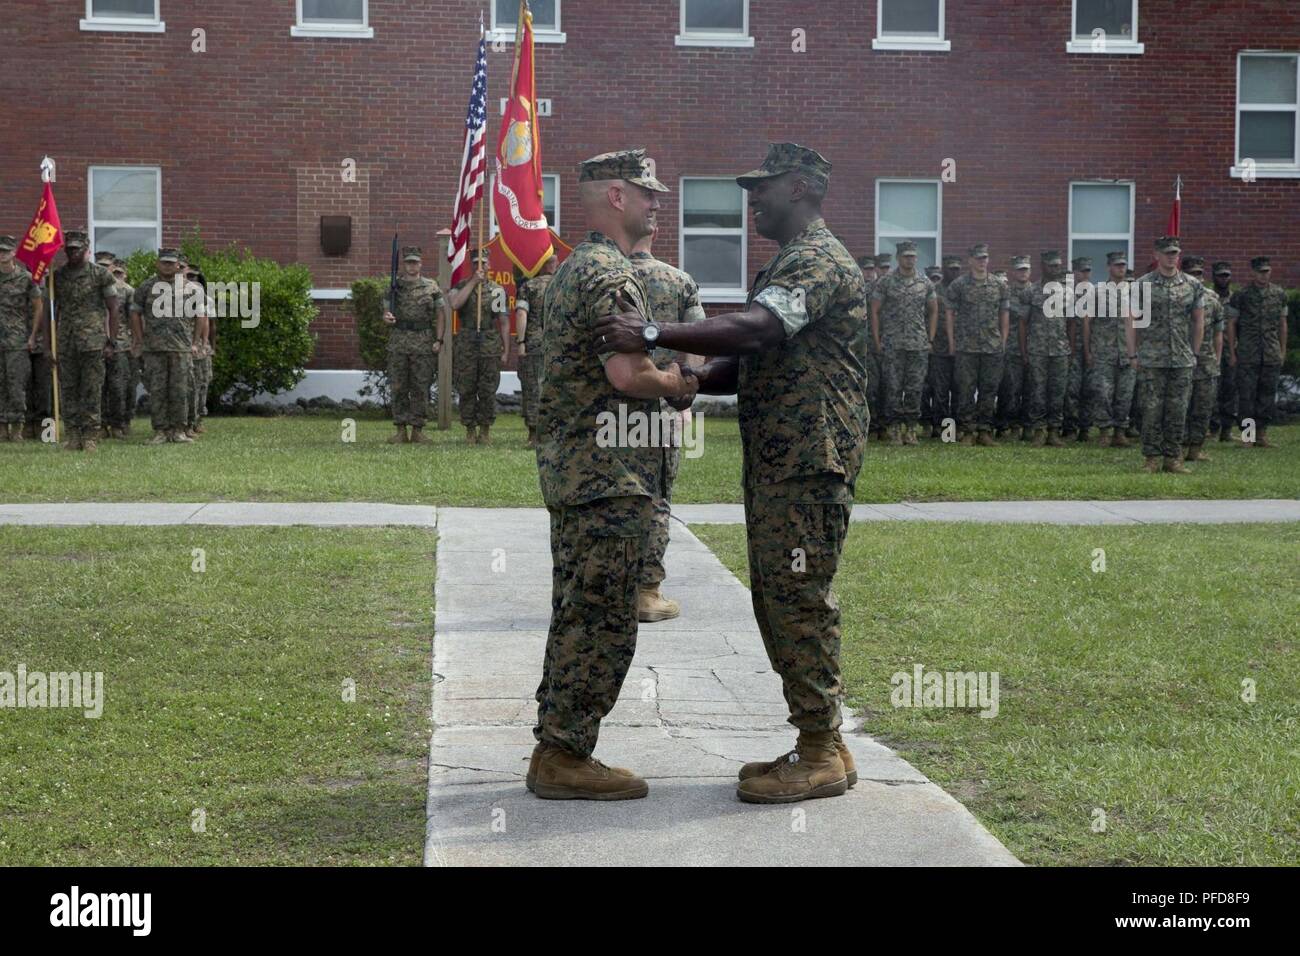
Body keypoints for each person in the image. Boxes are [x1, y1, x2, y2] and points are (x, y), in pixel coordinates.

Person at [593, 143, 868, 804]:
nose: (752, 201)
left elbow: (760, 329)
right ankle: (820, 739)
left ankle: (821, 751)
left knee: (797, 598)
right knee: (778, 598)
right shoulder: (789, 260)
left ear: (800, 187)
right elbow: (749, 359)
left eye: (762, 189)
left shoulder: (818, 260)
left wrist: (657, 334)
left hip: (809, 462)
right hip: (785, 461)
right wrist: (690, 381)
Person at [529, 149, 692, 801]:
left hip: (575, 474)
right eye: (647, 193)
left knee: (576, 611)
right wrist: (679, 383)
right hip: (610, 477)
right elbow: (628, 375)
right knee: (601, 618)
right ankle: (565, 755)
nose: (657, 203)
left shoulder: (572, 267)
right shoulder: (611, 273)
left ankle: (557, 745)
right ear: (616, 197)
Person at [629, 225, 706, 622]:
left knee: (612, 498)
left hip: (608, 410)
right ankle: (646, 591)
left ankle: (608, 588)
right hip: (660, 408)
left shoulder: (600, 277)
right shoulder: (679, 281)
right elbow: (696, 341)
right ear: (654, 232)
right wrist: (684, 392)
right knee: (656, 498)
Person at [32, 231, 121, 452]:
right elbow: (50, 313)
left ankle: (90, 435)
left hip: (93, 342)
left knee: (92, 389)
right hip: (66, 342)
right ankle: (73, 434)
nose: (73, 252)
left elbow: (113, 309)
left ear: (86, 249)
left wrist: (111, 341)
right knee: (68, 389)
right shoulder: (57, 277)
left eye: (77, 248)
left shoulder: (101, 275)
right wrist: (47, 346)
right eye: (69, 249)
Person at [1128, 236, 1205, 473]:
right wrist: (1132, 354)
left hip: (1181, 358)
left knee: (1178, 409)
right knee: (1151, 409)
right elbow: (1131, 321)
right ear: (1156, 256)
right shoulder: (1142, 285)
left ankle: (1173, 458)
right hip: (1152, 357)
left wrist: (1195, 352)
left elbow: (1198, 320)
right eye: (1167, 253)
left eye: (1175, 252)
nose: (1172, 256)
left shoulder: (1192, 285)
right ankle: (1151, 458)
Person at [130, 249, 203, 444]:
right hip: (154, 348)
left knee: (180, 390)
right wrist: (139, 339)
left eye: (171, 263)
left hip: (181, 347)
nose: (168, 266)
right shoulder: (146, 287)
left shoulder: (191, 288)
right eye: (164, 262)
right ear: (157, 264)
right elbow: (135, 313)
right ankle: (161, 431)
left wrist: (195, 343)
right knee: (157, 390)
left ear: (178, 265)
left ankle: (179, 430)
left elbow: (201, 316)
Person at [381, 246, 449, 444]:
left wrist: (439, 340)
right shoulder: (394, 286)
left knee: (421, 386)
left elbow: (440, 314)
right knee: (398, 386)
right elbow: (386, 312)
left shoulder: (431, 286)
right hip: (399, 342)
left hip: (423, 342)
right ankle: (401, 430)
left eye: (415, 262)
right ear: (404, 264)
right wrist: (387, 317)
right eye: (408, 262)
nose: (412, 266)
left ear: (420, 263)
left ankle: (418, 430)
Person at [871, 240, 936, 445]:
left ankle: (910, 429)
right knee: (893, 386)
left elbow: (934, 310)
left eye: (913, 256)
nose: (910, 260)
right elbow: (874, 311)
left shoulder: (925, 283)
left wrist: (930, 338)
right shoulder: (886, 282)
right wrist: (877, 338)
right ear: (898, 257)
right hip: (892, 343)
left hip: (917, 344)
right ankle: (894, 428)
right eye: (906, 256)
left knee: (915, 387)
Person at [947, 243, 1010, 445]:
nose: (982, 261)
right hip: (967, 346)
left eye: (985, 258)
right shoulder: (959, 285)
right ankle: (967, 431)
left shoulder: (998, 285)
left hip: (992, 346)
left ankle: (984, 430)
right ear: (970, 260)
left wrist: (1003, 340)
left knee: (989, 389)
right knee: (965, 389)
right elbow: (949, 314)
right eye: (978, 258)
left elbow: (1004, 314)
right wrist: (952, 341)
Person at [1229, 256, 1288, 448]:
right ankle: (1247, 436)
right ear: (1253, 272)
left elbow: (1282, 324)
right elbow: (1232, 324)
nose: (1264, 275)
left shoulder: (1279, 294)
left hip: (1270, 351)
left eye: (1267, 271)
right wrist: (1232, 351)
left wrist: (1282, 350)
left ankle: (1261, 435)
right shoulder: (1242, 296)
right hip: (1248, 352)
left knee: (1267, 394)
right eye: (1260, 271)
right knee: (1246, 396)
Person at [451, 248, 508, 444]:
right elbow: (456, 304)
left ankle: (485, 430)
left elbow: (503, 320)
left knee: (487, 388)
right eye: (476, 263)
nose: (480, 266)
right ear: (471, 265)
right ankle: (469, 429)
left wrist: (506, 349)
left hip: (489, 342)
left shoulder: (497, 290)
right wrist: (473, 282)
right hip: (467, 343)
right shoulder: (460, 286)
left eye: (483, 263)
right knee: (466, 387)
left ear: (489, 265)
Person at [1083, 251, 1136, 447]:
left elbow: (1141, 324)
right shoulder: (1097, 292)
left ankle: (1120, 432)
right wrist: (1088, 351)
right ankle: (1105, 431)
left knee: (1125, 394)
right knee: (1103, 392)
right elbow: (1087, 322)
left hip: (1128, 353)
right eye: (1117, 265)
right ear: (1109, 268)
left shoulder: (1135, 292)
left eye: (1123, 265)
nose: (1120, 268)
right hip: (1103, 352)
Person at [1020, 251, 1072, 446]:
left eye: (1057, 266)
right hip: (1038, 349)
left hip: (1060, 350)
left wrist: (1071, 349)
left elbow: (1072, 323)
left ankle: (1053, 431)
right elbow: (1023, 323)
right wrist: (1024, 351)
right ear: (1042, 267)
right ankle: (1039, 430)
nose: (1055, 269)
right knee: (1037, 391)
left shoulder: (1067, 292)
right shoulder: (1031, 292)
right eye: (1051, 266)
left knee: (1058, 392)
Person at [1180, 256, 1224, 462]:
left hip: (1206, 362)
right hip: (1180, 359)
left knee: (1203, 407)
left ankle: (1195, 449)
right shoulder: (1176, 296)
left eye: (1199, 273)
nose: (1196, 277)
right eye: (1192, 273)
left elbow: (1218, 332)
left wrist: (1217, 358)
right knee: (1179, 407)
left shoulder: (1212, 299)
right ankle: (1177, 449)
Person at [0, 235, 42, 442]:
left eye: (6, 251)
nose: (2, 255)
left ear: (14, 253)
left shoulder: (26, 278)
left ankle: (17, 426)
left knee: (16, 384)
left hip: (17, 340)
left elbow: (38, 307)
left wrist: (33, 336)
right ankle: (1, 427)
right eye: (0, 251)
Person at [515, 254, 559, 448]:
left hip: (534, 343)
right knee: (556, 387)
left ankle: (533, 434)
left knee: (533, 388)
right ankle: (553, 433)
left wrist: (521, 341)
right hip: (559, 345)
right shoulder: (563, 286)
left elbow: (521, 314)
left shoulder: (528, 287)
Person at [100, 256, 135, 439]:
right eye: (100, 266)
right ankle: (99, 425)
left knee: (118, 387)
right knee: (97, 387)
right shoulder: (90, 287)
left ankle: (118, 424)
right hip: (94, 341)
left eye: (107, 266)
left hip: (120, 343)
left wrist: (135, 342)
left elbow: (133, 318)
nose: (104, 269)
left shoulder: (125, 290)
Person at [1210, 261, 1238, 442]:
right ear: (1213, 276)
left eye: (1226, 275)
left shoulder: (1236, 299)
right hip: (1209, 349)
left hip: (1230, 351)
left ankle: (1226, 430)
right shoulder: (1207, 297)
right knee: (1210, 391)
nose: (1223, 278)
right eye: (1220, 275)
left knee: (1229, 389)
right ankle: (1211, 428)